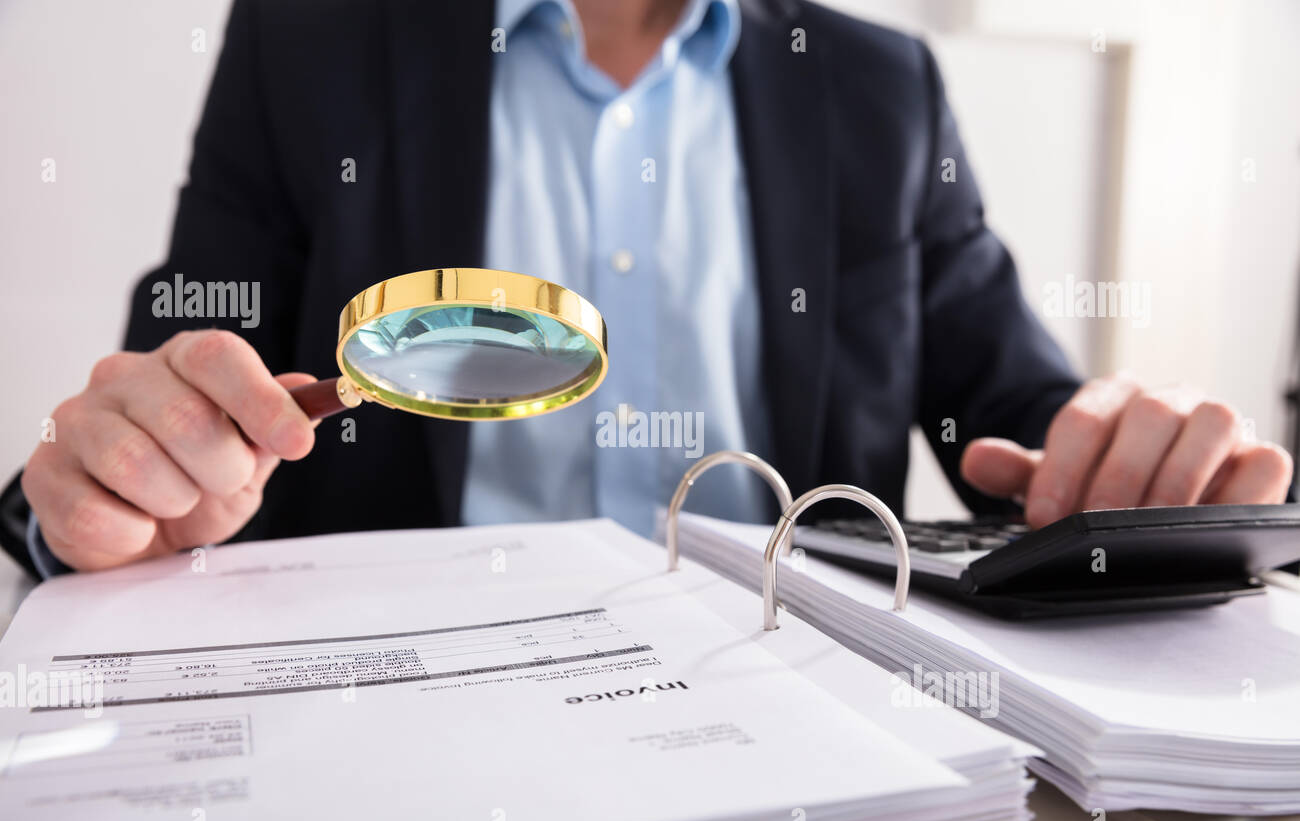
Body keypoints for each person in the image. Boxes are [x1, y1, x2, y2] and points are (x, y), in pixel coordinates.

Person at [3, 0, 1291, 575]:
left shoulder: (879, 91)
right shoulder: (307, 41)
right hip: (405, 740)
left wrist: (1139, 471)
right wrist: (97, 497)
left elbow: (1018, 422)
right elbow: (163, 400)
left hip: (812, 739)